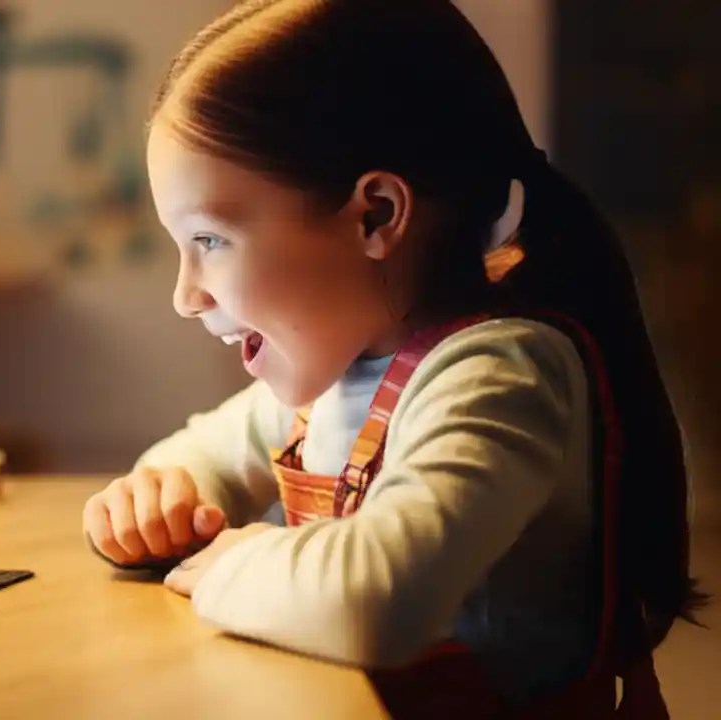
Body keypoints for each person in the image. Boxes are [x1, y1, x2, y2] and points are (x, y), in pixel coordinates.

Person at [81, 0, 703, 715]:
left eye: (210, 241)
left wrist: (233, 564)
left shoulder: (500, 377)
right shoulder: (335, 375)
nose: (185, 295)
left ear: (375, 215)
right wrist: (158, 500)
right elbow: (202, 453)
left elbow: (378, 598)